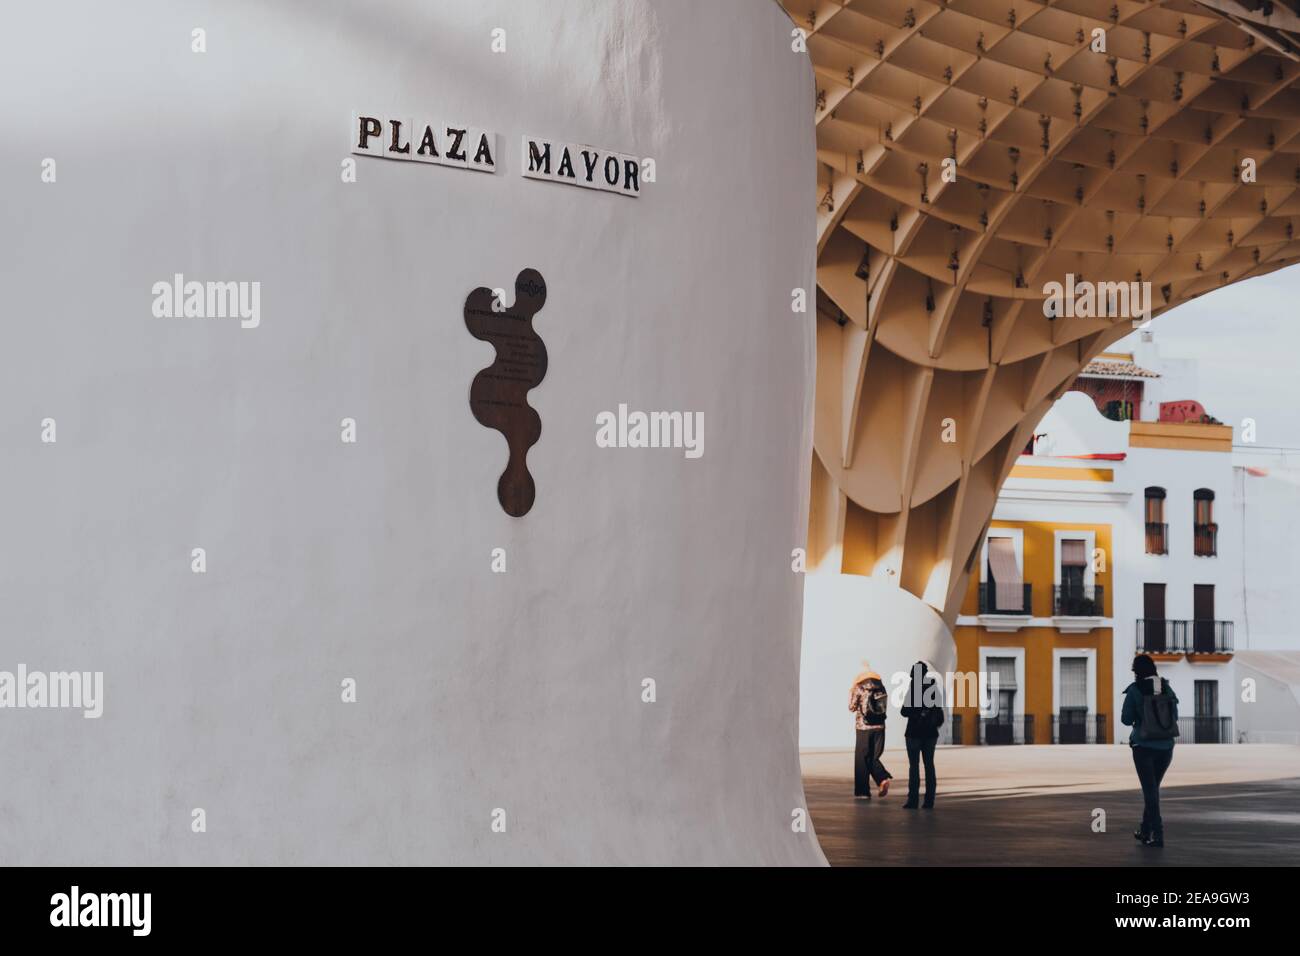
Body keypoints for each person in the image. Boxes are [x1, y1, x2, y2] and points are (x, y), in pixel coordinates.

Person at [1121, 653, 1179, 847]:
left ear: (1136, 672)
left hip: (1143, 747)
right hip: (1166, 747)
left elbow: (1126, 719)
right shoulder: (1167, 687)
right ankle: (1146, 831)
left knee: (1150, 791)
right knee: (1153, 790)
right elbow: (1175, 716)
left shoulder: (1135, 690)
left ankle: (1158, 834)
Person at [898, 660, 943, 809]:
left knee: (914, 766)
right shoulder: (933, 688)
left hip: (914, 734)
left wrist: (916, 713)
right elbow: (939, 713)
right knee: (929, 765)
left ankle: (913, 800)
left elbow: (904, 711)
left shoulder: (914, 689)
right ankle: (929, 801)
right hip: (930, 734)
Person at [848, 666, 892, 799]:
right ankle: (882, 779)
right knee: (873, 757)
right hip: (880, 726)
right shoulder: (881, 687)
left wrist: (851, 692)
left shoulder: (859, 687)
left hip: (863, 727)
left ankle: (863, 792)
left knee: (862, 758)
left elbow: (852, 707)